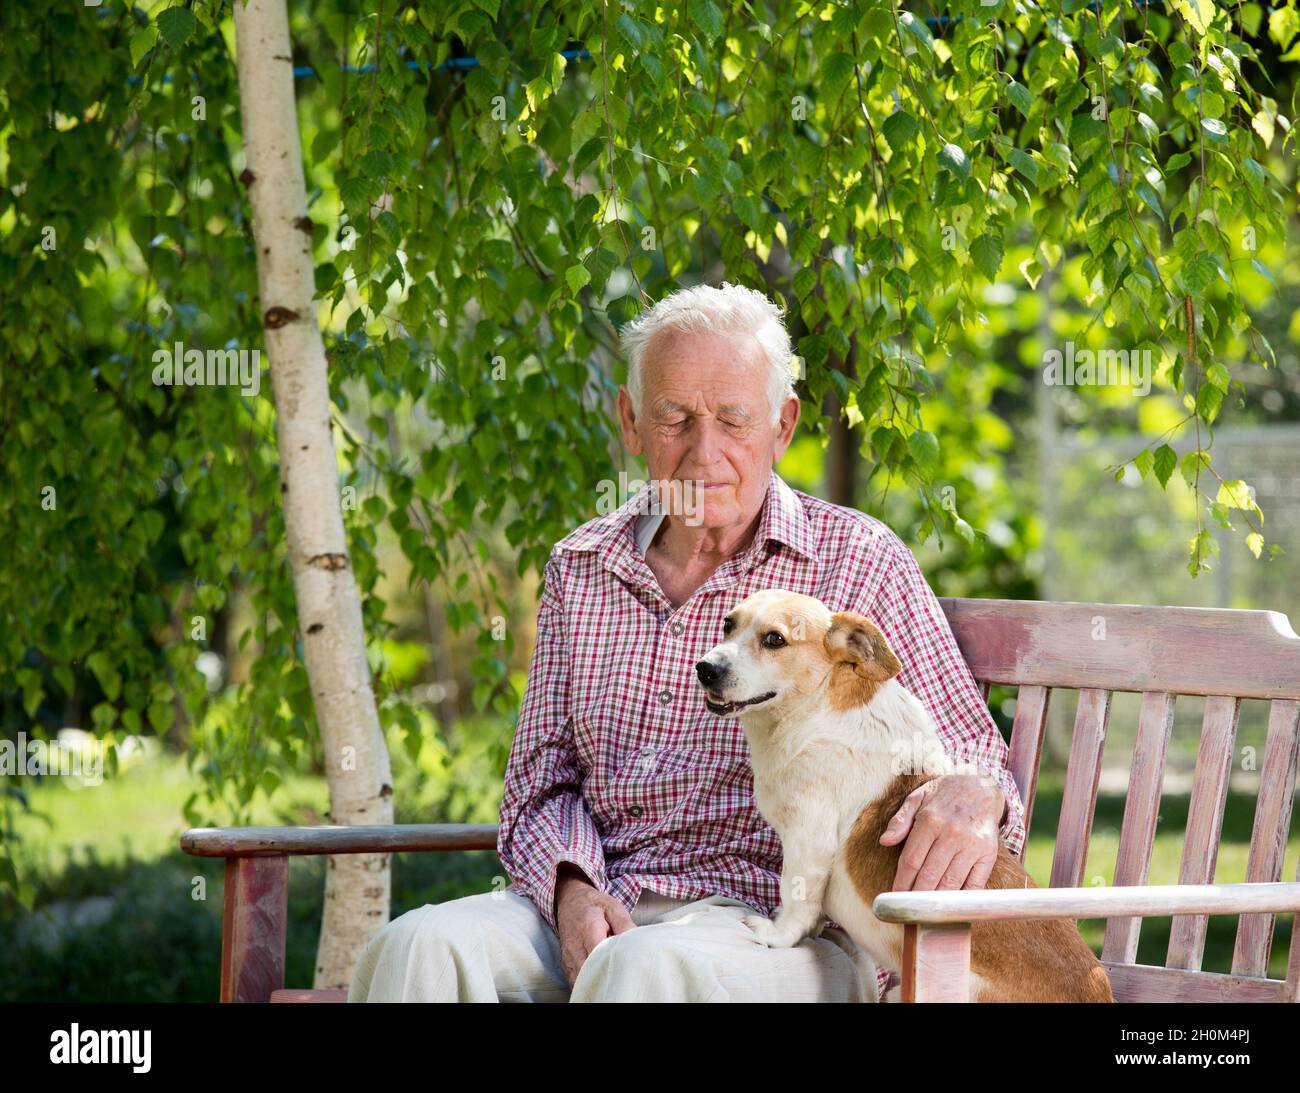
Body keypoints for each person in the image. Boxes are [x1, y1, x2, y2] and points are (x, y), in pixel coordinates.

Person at [349, 282, 1025, 1002]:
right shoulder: (582, 568)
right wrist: (571, 890)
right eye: (675, 416)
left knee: (639, 970)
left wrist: (972, 796)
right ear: (631, 420)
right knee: (414, 946)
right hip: (601, 905)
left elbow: (976, 760)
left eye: (734, 419)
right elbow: (539, 782)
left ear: (783, 425)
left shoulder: (858, 560)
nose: (704, 452)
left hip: (777, 927)